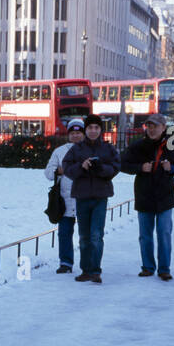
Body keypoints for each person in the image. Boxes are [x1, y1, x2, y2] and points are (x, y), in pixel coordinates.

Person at [119, 113, 174, 280]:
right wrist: (140, 167)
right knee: (145, 235)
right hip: (144, 195)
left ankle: (164, 268)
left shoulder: (172, 145)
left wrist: (172, 168)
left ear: (164, 127)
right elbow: (122, 164)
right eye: (149, 126)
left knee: (164, 233)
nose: (151, 129)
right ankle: (148, 267)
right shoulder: (138, 146)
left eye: (155, 126)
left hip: (165, 196)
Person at [61, 114, 120, 283]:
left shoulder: (108, 148)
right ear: (86, 130)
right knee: (84, 235)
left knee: (96, 234)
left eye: (96, 128)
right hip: (82, 195)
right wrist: (82, 166)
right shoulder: (77, 149)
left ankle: (95, 270)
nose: (93, 131)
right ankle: (85, 269)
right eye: (90, 128)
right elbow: (67, 169)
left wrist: (100, 167)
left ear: (101, 130)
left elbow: (115, 168)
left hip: (101, 196)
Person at [43, 119, 81, 273]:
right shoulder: (59, 151)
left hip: (84, 197)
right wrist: (57, 170)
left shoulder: (89, 150)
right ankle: (65, 262)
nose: (76, 136)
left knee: (86, 235)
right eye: (73, 133)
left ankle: (88, 265)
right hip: (64, 200)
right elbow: (47, 173)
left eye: (78, 133)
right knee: (64, 233)